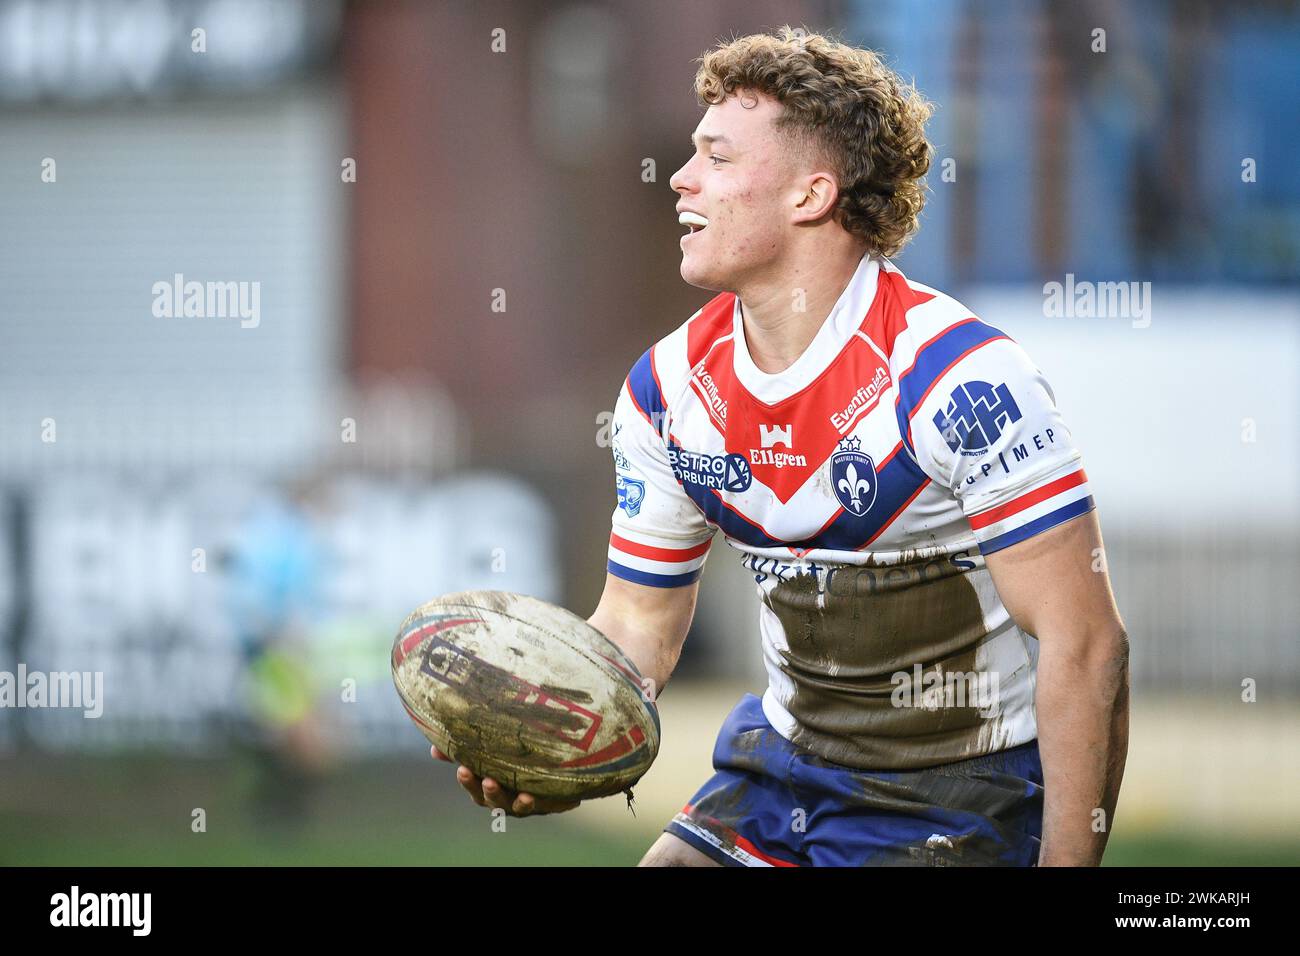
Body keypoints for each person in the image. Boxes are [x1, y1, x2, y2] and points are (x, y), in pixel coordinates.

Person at [434, 26, 1129, 867]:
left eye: (717, 160)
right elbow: (637, 623)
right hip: (786, 767)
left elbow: (1086, 644)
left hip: (961, 788)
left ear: (810, 194)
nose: (681, 180)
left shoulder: (959, 380)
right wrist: (547, 729)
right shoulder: (669, 391)